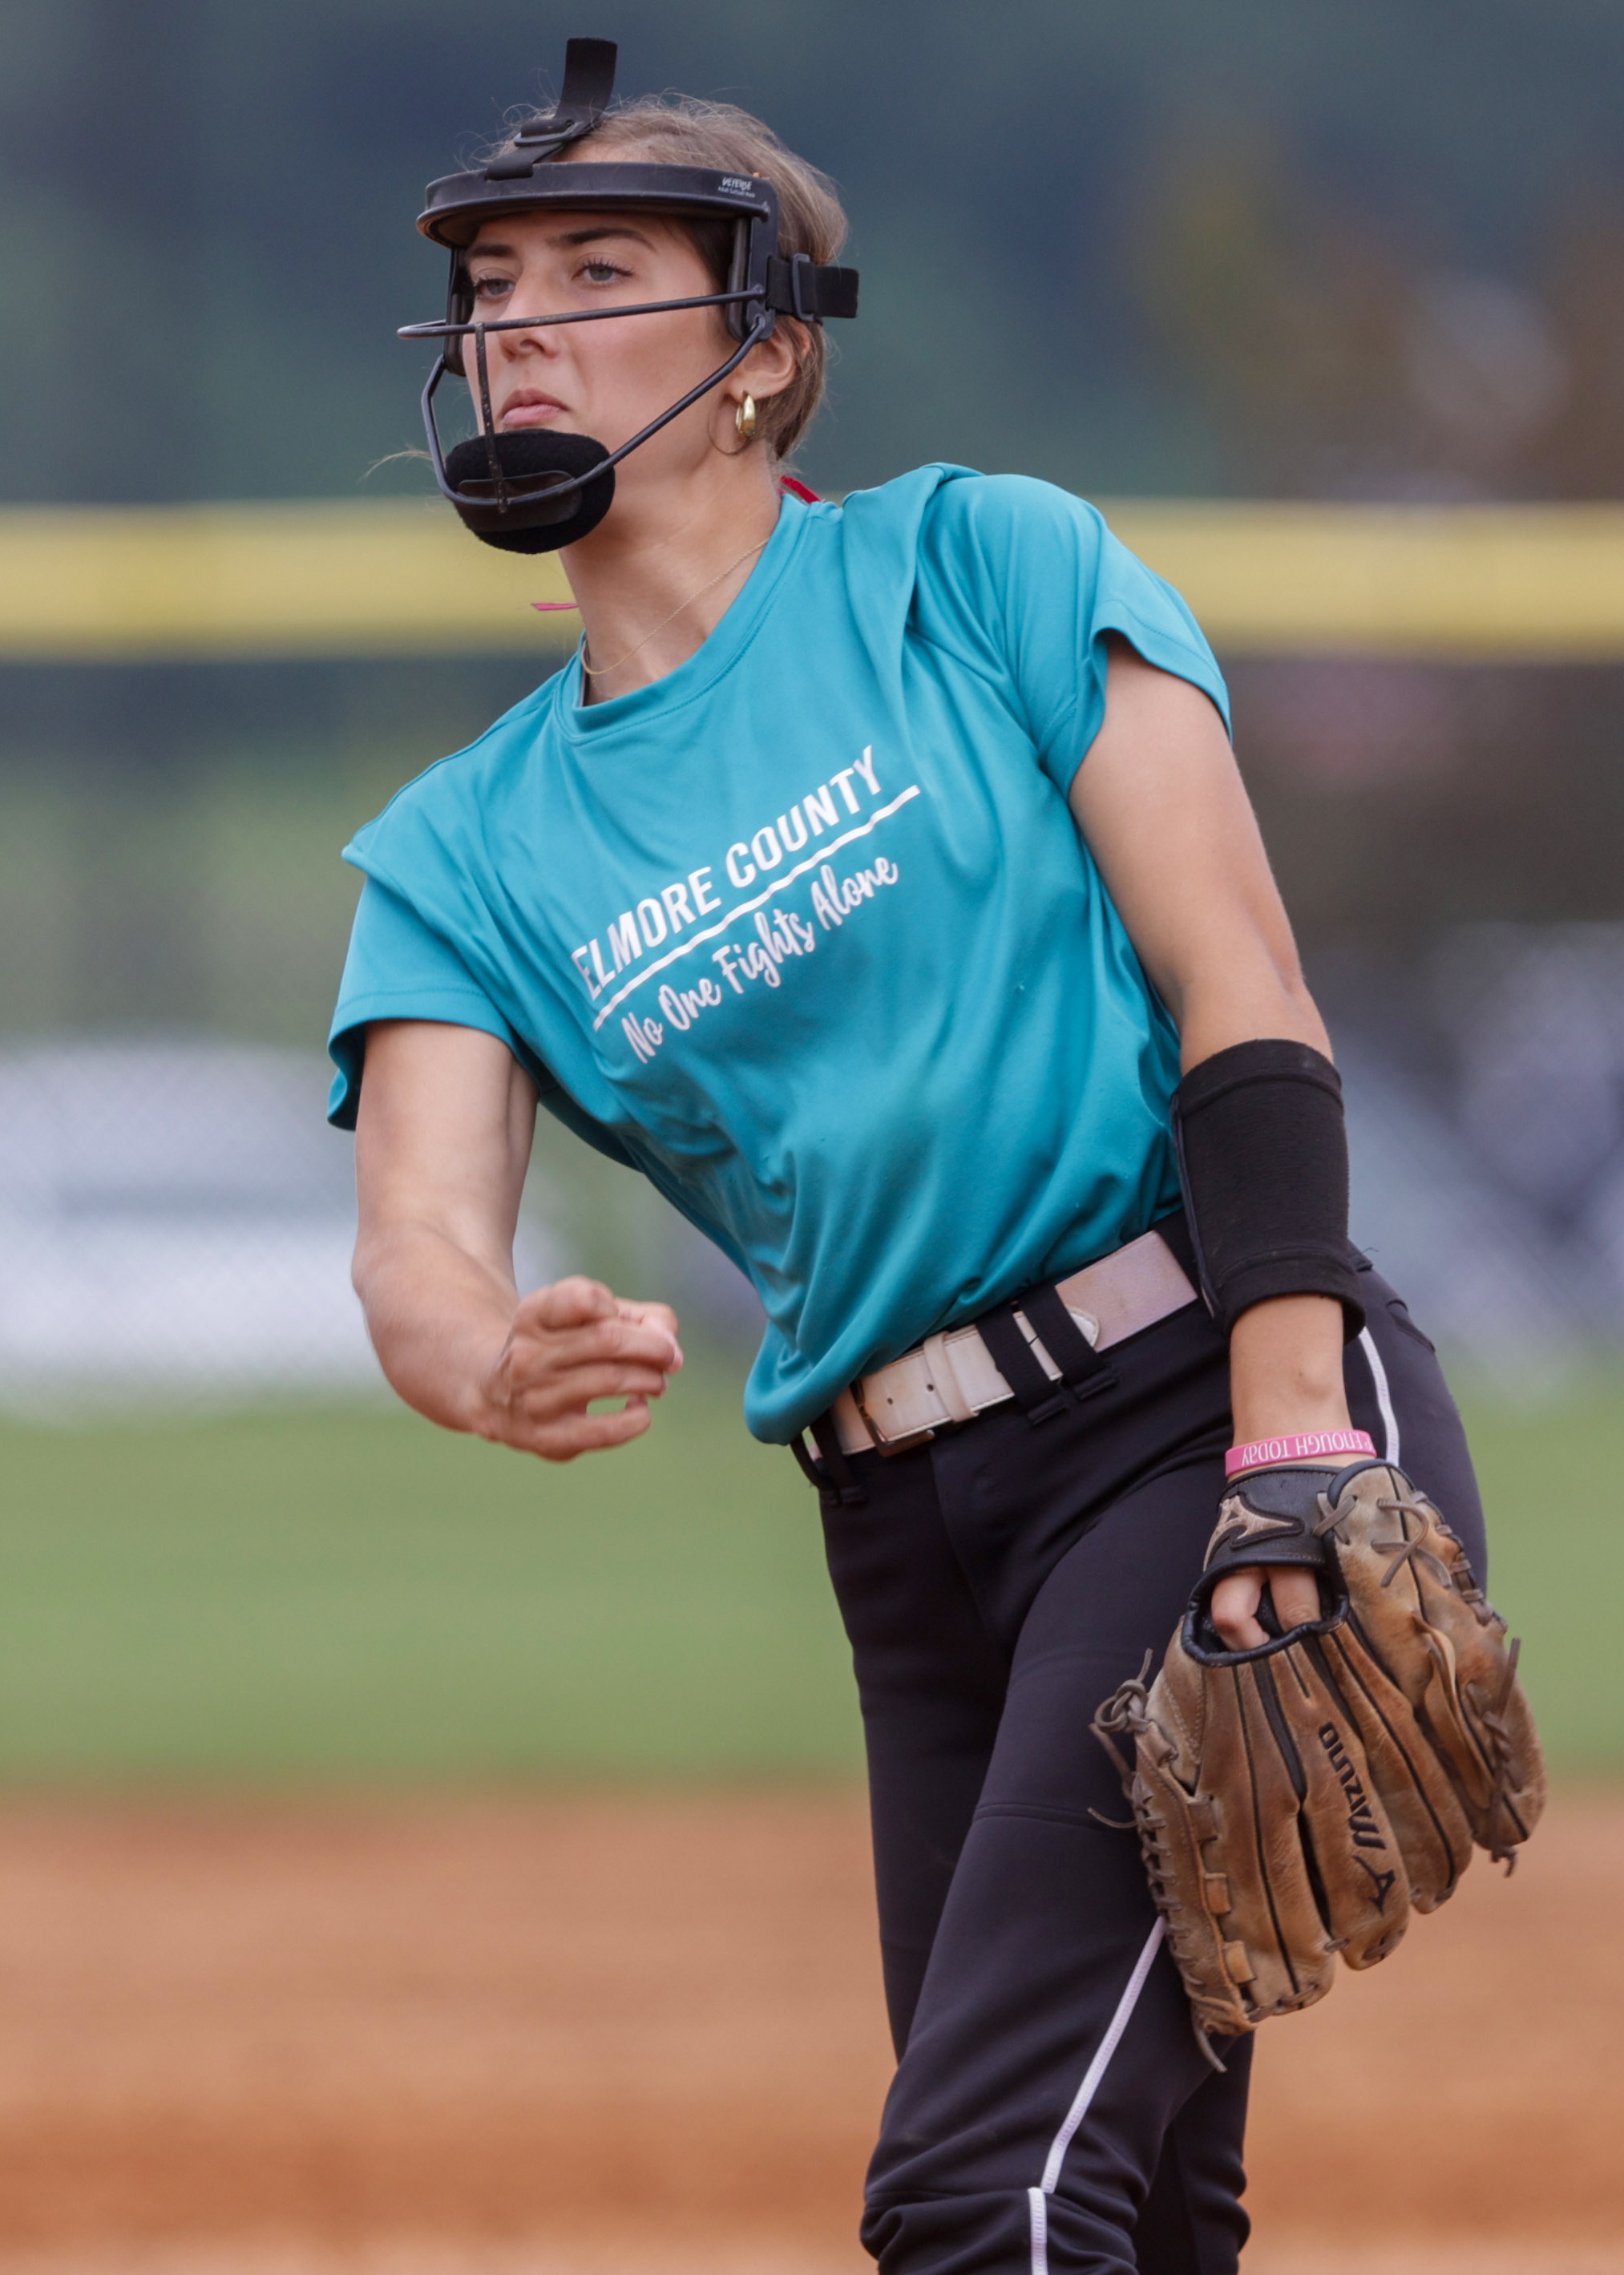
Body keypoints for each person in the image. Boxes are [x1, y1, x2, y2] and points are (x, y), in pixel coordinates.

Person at [325, 51, 1491, 2275]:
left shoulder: (984, 566)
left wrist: (1287, 1450)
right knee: (1130, 2209)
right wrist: (484, 1350)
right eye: (491, 281)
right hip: (910, 1541)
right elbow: (417, 1239)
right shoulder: (469, 848)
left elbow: (1243, 998)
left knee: (982, 2193)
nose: (518, 324)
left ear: (766, 350)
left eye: (596, 269)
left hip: (1205, 1418)